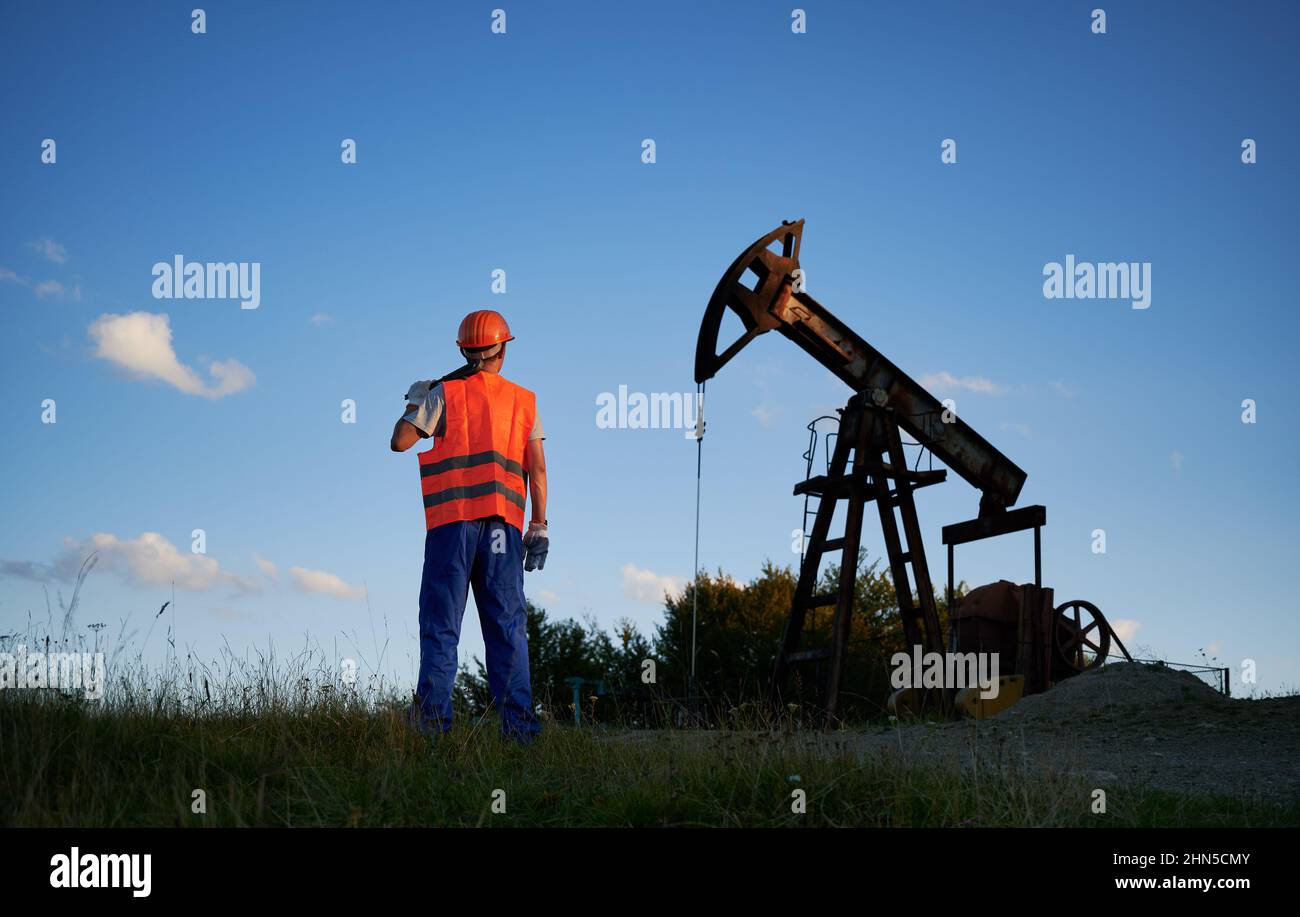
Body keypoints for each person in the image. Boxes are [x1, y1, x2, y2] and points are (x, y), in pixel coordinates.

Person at [390, 309, 548, 741]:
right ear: (503, 349)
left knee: (441, 626)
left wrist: (418, 400)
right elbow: (537, 468)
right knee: (507, 628)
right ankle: (519, 735)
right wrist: (539, 525)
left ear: (463, 349)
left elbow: (399, 442)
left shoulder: (445, 394)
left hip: (451, 528)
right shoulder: (523, 400)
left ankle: (432, 729)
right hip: (502, 529)